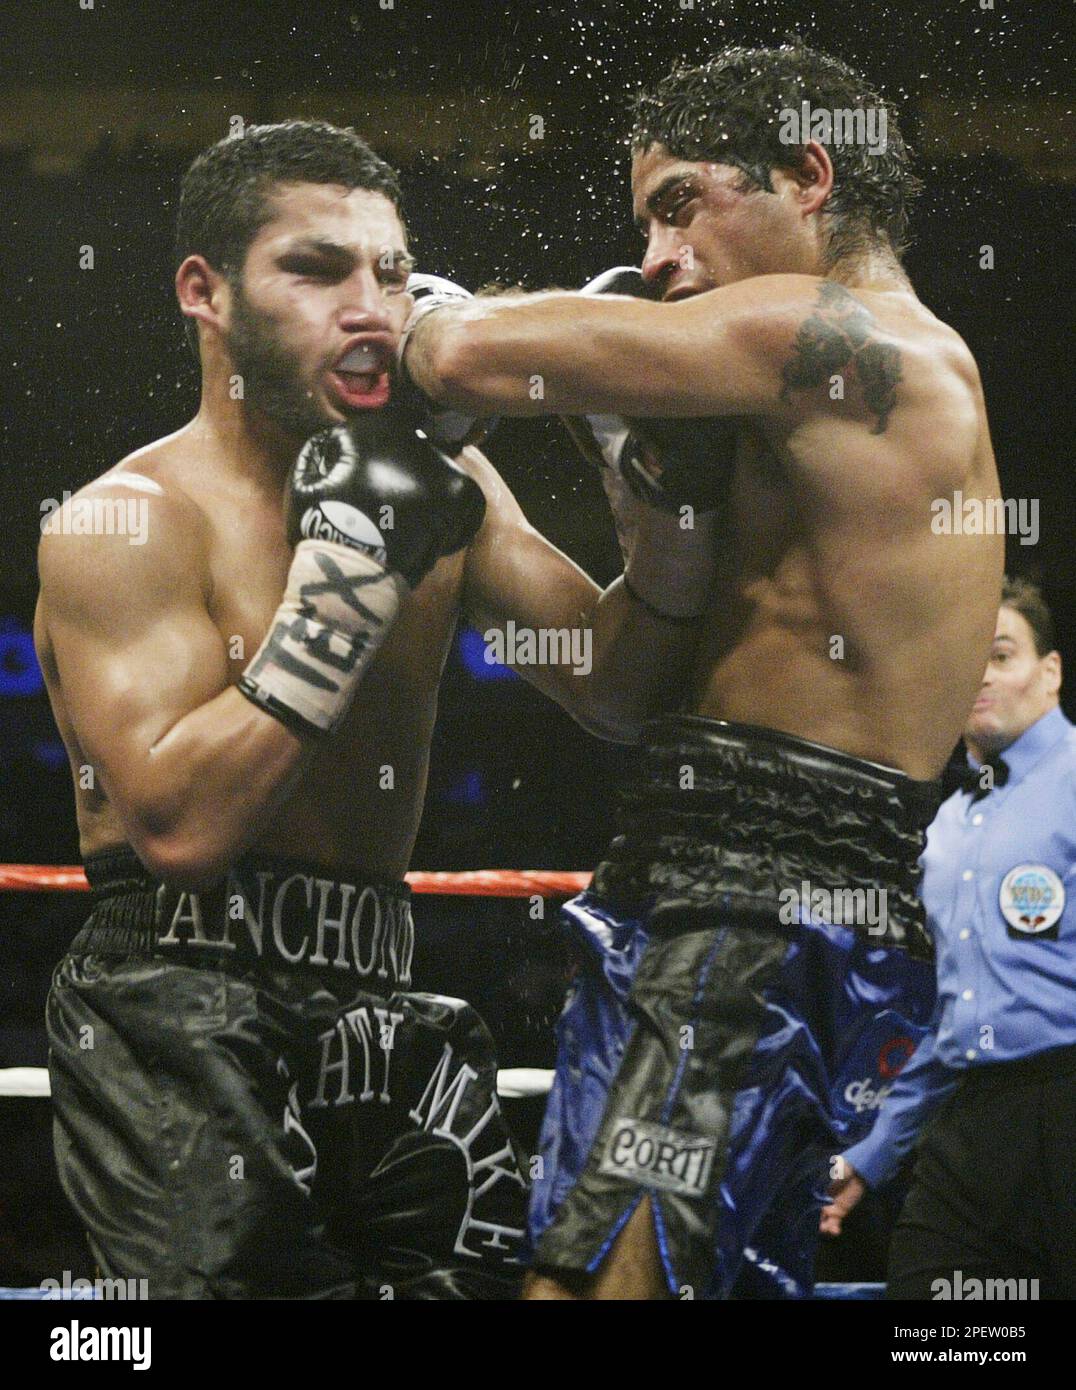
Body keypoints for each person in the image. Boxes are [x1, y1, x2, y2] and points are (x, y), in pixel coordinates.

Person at [33, 120, 715, 1299]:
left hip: (381, 984)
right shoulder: (127, 521)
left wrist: (648, 487)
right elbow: (184, 830)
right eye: (316, 269)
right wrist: (345, 591)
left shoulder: (443, 483)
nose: (371, 307)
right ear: (205, 291)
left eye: (391, 271)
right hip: (178, 998)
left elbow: (614, 687)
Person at [400, 41, 1005, 1299]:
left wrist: (396, 321)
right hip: (700, 880)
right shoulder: (775, 437)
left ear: (805, 173)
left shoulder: (837, 334)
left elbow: (460, 358)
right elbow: (617, 688)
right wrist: (460, 502)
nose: (663, 259)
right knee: (658, 1276)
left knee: (604, 1286)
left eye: (681, 204)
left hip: (764, 910)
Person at [823, 578, 1076, 1299]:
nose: (980, 675)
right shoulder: (946, 830)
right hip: (969, 1125)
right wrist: (870, 1157)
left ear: (1049, 671)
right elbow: (950, 1018)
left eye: (1000, 654)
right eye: (966, 657)